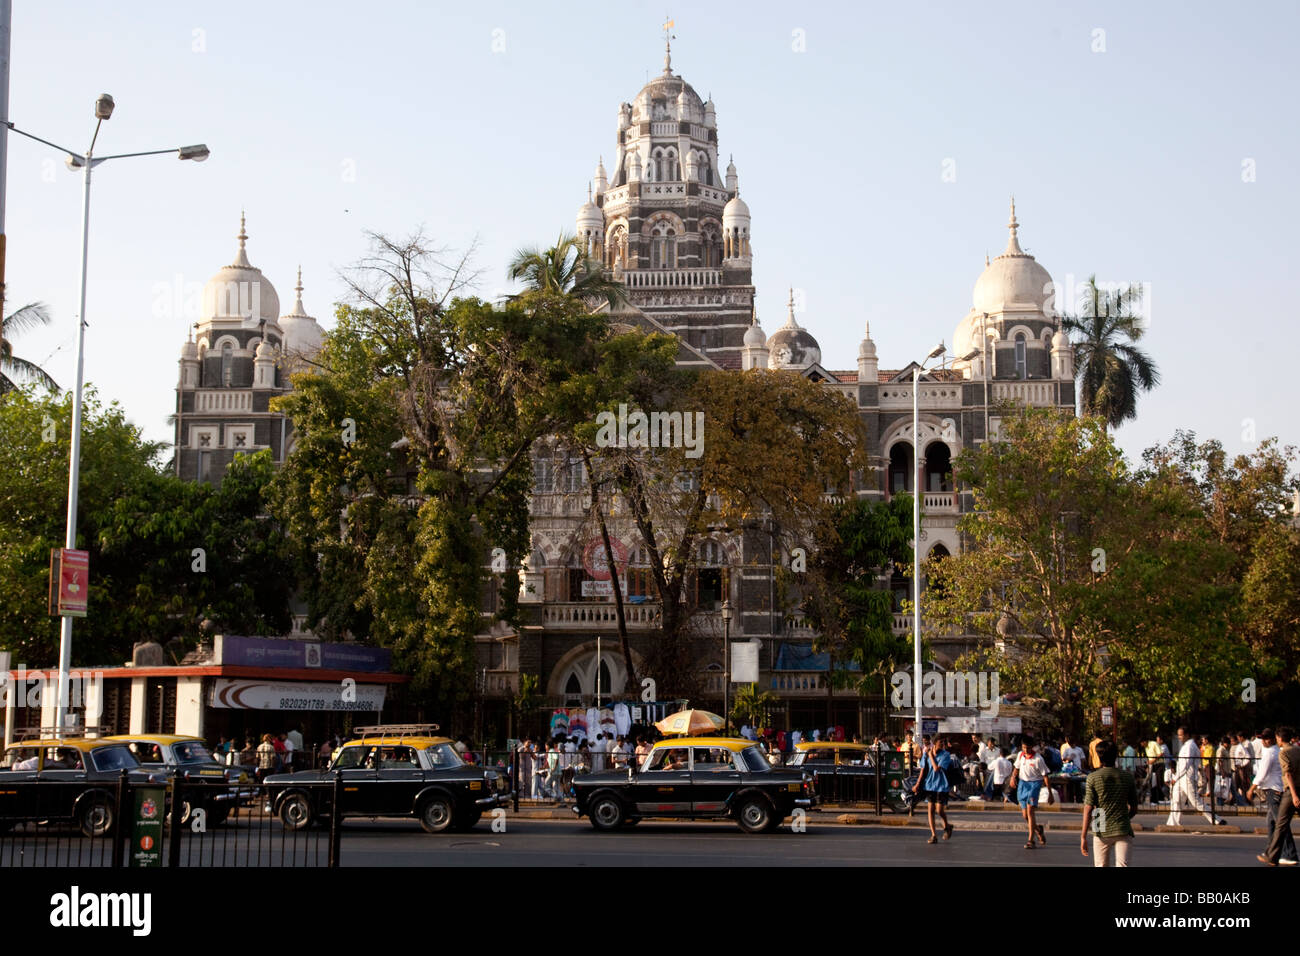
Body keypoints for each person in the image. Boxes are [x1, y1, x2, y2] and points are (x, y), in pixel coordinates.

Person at [1080, 740, 1139, 867]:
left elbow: (1088, 808)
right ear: (1116, 756)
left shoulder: (1093, 777)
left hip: (1100, 824)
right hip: (1122, 826)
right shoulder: (1127, 777)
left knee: (1101, 865)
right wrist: (1123, 818)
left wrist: (1083, 836)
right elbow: (1134, 808)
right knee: (1123, 865)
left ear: (1098, 756)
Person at [1247, 728, 1295, 864]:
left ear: (1273, 739)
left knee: (1280, 825)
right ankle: (1271, 852)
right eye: (1262, 738)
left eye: (1266, 739)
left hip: (1274, 791)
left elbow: (1262, 774)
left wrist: (1251, 789)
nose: (1263, 741)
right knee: (1272, 823)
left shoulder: (1270, 753)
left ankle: (1289, 854)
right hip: (1274, 790)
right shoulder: (1275, 751)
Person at [1165, 726, 1225, 827]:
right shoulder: (1186, 746)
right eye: (1178, 735)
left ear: (1187, 735)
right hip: (1181, 778)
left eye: (1181, 735)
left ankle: (1217, 819)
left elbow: (1186, 764)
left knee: (1196, 802)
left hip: (1187, 778)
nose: (1179, 737)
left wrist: (1175, 778)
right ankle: (1172, 823)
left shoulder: (1190, 746)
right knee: (1176, 800)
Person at [1258, 726, 1300, 866]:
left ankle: (1273, 856)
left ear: (1280, 739)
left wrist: (1294, 795)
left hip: (1290, 791)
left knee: (1281, 824)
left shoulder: (1283, 753)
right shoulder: (1297, 750)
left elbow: (1288, 774)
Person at [912, 736, 954, 844]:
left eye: (943, 742)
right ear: (934, 743)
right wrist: (917, 784)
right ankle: (933, 835)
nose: (942, 744)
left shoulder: (945, 755)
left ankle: (947, 826)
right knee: (930, 810)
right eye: (941, 742)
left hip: (941, 785)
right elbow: (922, 770)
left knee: (939, 810)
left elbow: (936, 769)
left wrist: (931, 756)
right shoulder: (926, 754)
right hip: (929, 785)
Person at [1012, 736, 1049, 848]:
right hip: (1023, 784)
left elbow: (1045, 776)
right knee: (1025, 816)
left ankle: (1030, 840)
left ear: (1032, 747)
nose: (1026, 750)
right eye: (1024, 748)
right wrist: (1013, 778)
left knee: (1030, 812)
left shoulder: (1038, 759)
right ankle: (1038, 829)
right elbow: (1016, 768)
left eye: (1028, 748)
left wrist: (1050, 794)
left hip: (1034, 784)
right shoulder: (1020, 755)